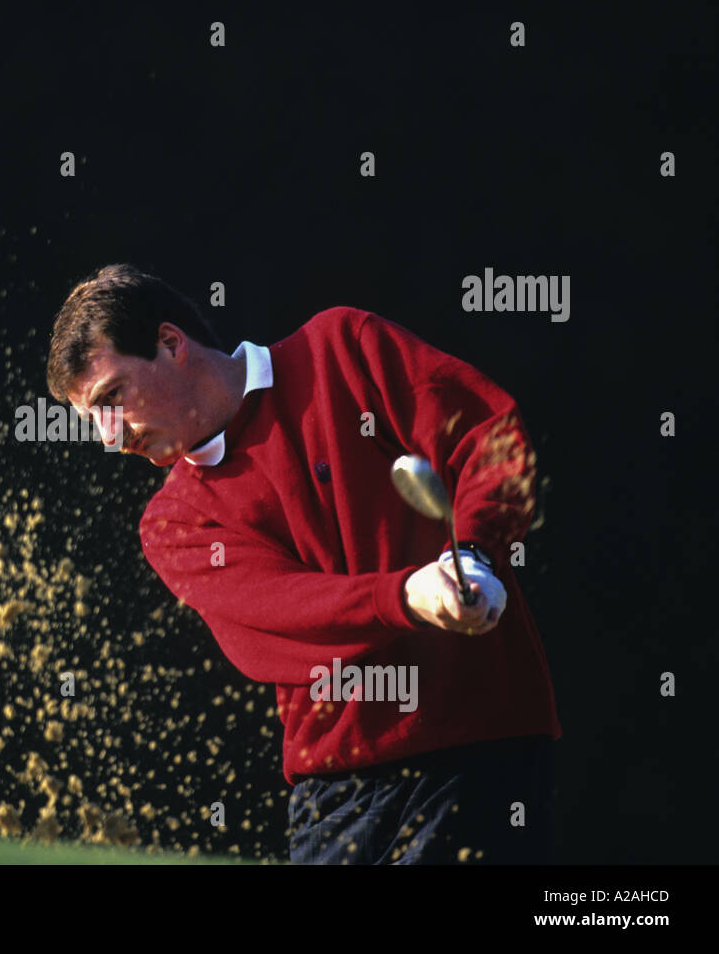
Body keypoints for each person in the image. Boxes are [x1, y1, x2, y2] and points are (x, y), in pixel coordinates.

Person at [45, 263, 561, 864]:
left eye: (112, 398)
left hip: (482, 753)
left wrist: (476, 551)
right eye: (92, 421)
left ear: (170, 343)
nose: (111, 438)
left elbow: (487, 435)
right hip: (335, 797)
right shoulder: (172, 524)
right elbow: (282, 619)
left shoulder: (342, 348)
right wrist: (407, 596)